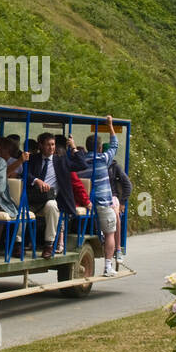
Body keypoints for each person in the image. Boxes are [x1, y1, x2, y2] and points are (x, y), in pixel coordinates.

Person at [67, 115, 120, 277]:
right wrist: (110, 125)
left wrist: (73, 145)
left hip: (85, 202)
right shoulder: (103, 158)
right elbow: (115, 145)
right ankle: (108, 266)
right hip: (102, 202)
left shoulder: (81, 161)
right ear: (99, 148)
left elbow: (75, 155)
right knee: (110, 232)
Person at [27, 131, 75, 256]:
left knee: (53, 206)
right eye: (48, 145)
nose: (51, 147)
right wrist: (36, 180)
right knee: (20, 210)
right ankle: (17, 243)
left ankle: (49, 244)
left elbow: (82, 164)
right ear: (41, 145)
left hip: (49, 198)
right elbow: (25, 174)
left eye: (53, 144)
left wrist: (73, 147)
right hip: (33, 197)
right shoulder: (33, 159)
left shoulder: (60, 161)